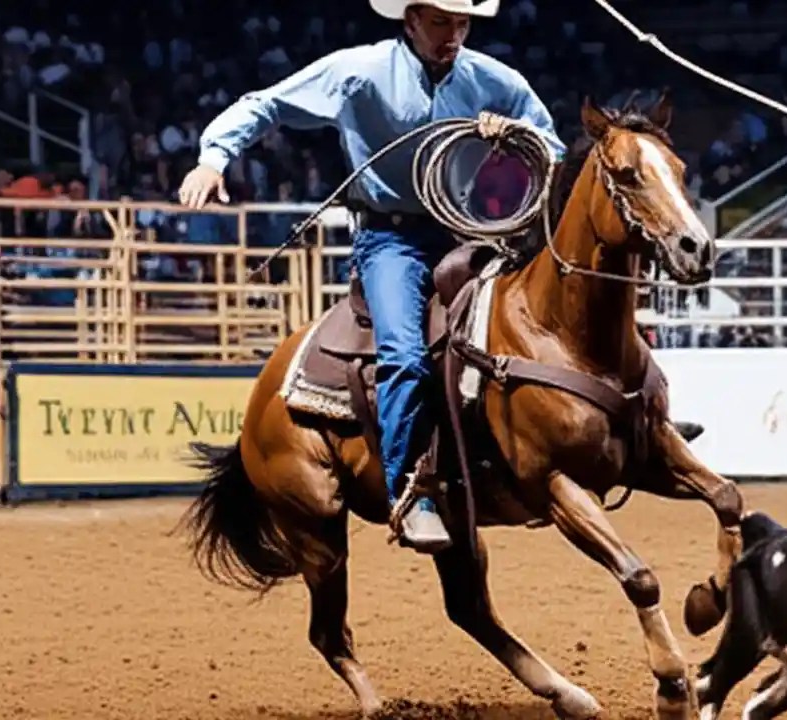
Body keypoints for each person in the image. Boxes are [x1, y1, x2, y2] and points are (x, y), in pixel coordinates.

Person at [179, 0, 565, 554]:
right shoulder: (359, 72)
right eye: (440, 22)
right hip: (391, 240)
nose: (453, 35)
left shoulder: (493, 79)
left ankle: (604, 428)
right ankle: (413, 492)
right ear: (410, 21)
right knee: (406, 354)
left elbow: (549, 145)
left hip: (469, 232)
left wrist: (512, 137)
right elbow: (266, 105)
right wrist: (214, 158)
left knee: (535, 320)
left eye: (462, 24)